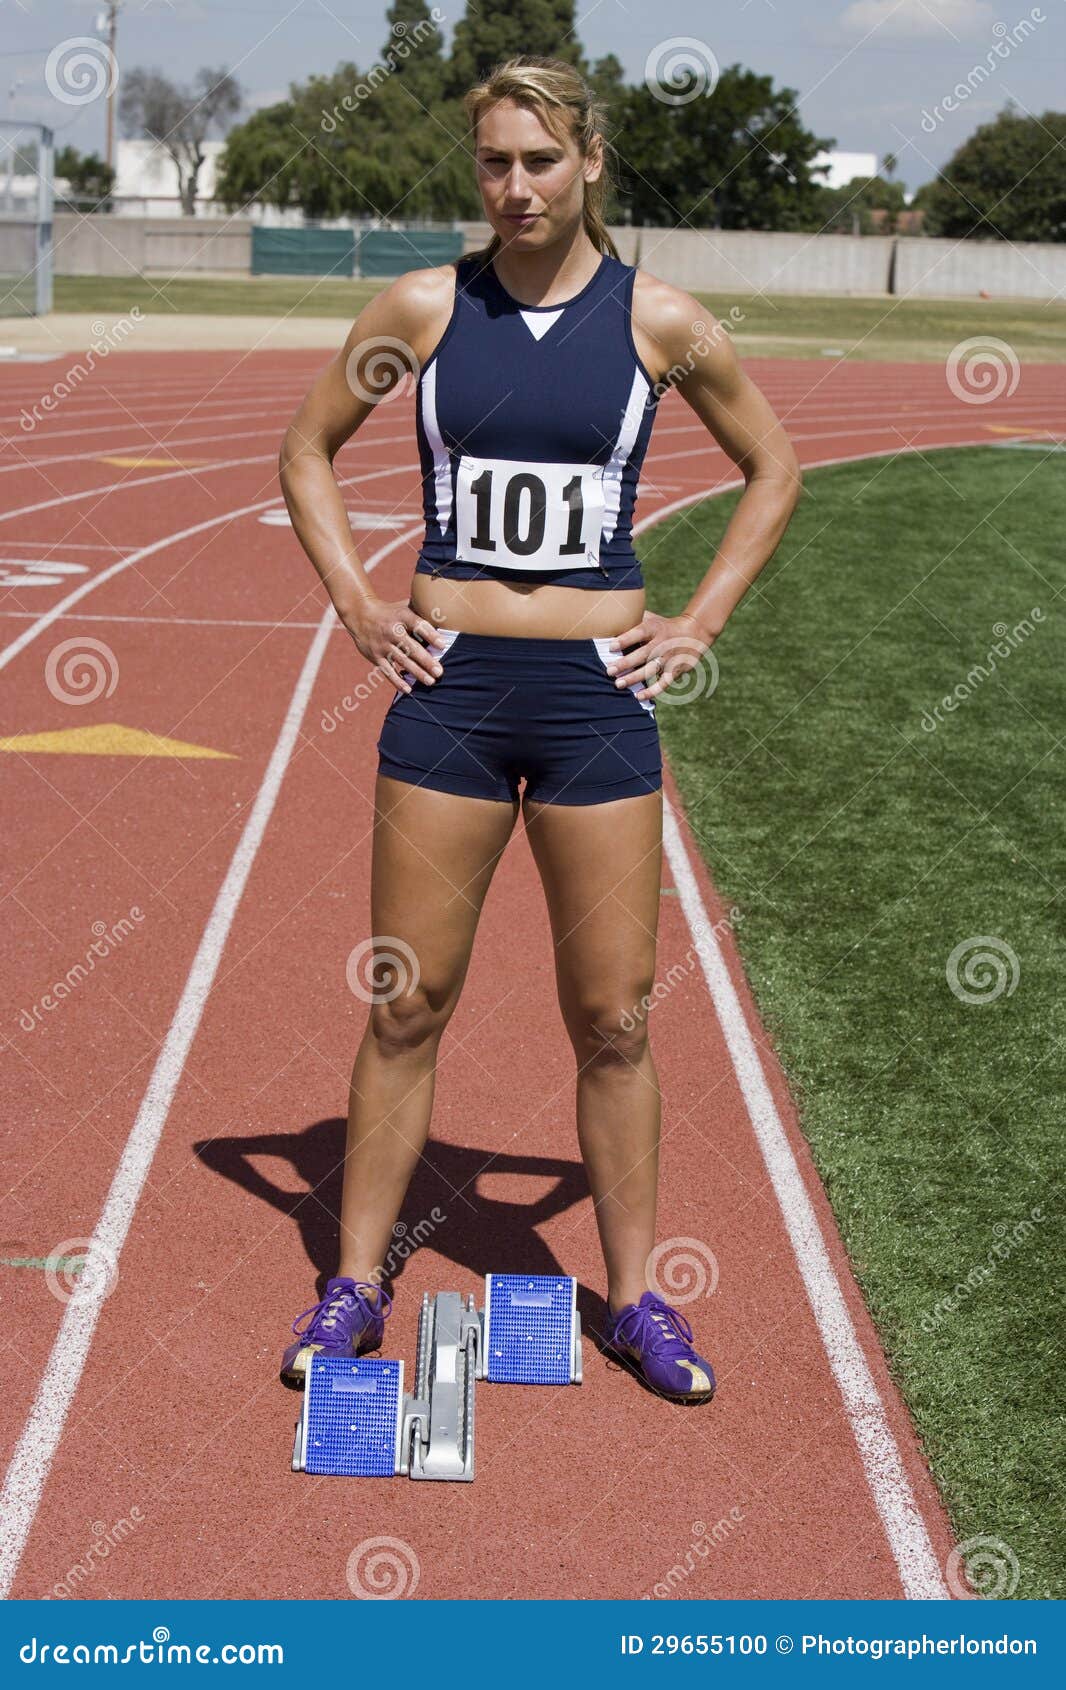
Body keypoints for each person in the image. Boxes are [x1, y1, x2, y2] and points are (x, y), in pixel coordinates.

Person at [276, 55, 801, 1402]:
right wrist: (353, 598)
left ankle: (631, 1299)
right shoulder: (424, 306)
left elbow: (773, 463)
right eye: (494, 163)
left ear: (591, 164)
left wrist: (699, 623)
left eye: (539, 161)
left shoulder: (657, 321)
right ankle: (352, 1281)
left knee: (614, 1017)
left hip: (592, 706)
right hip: (449, 698)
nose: (514, 187)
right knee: (408, 1004)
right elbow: (305, 448)